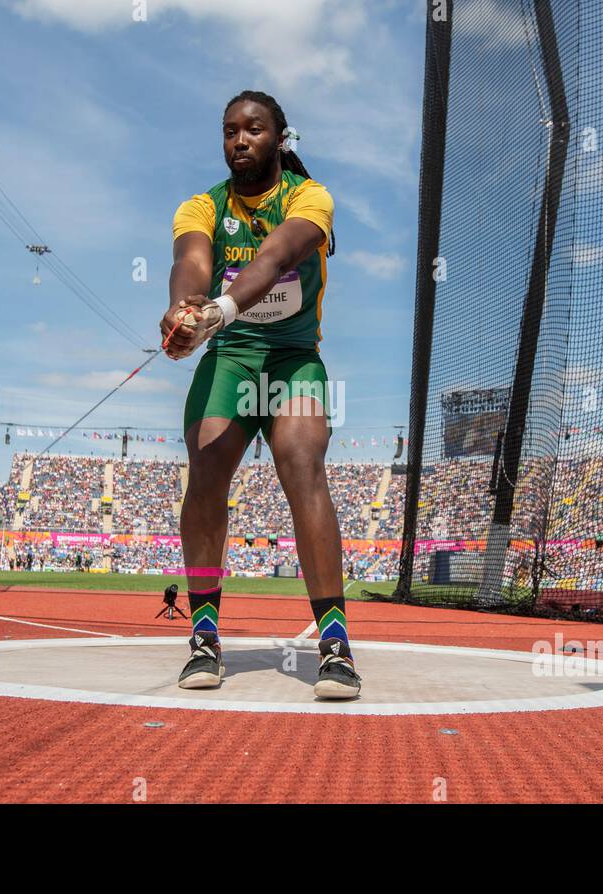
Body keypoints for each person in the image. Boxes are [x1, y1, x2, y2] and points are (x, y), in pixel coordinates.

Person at [161, 90, 359, 699]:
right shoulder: (200, 206)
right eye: (228, 131)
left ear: (279, 138)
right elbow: (192, 261)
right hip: (230, 357)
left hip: (292, 359)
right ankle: (203, 635)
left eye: (252, 129)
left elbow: (276, 256)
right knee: (207, 467)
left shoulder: (310, 197)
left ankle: (335, 643)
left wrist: (217, 309)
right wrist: (184, 308)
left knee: (302, 463)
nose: (239, 140)